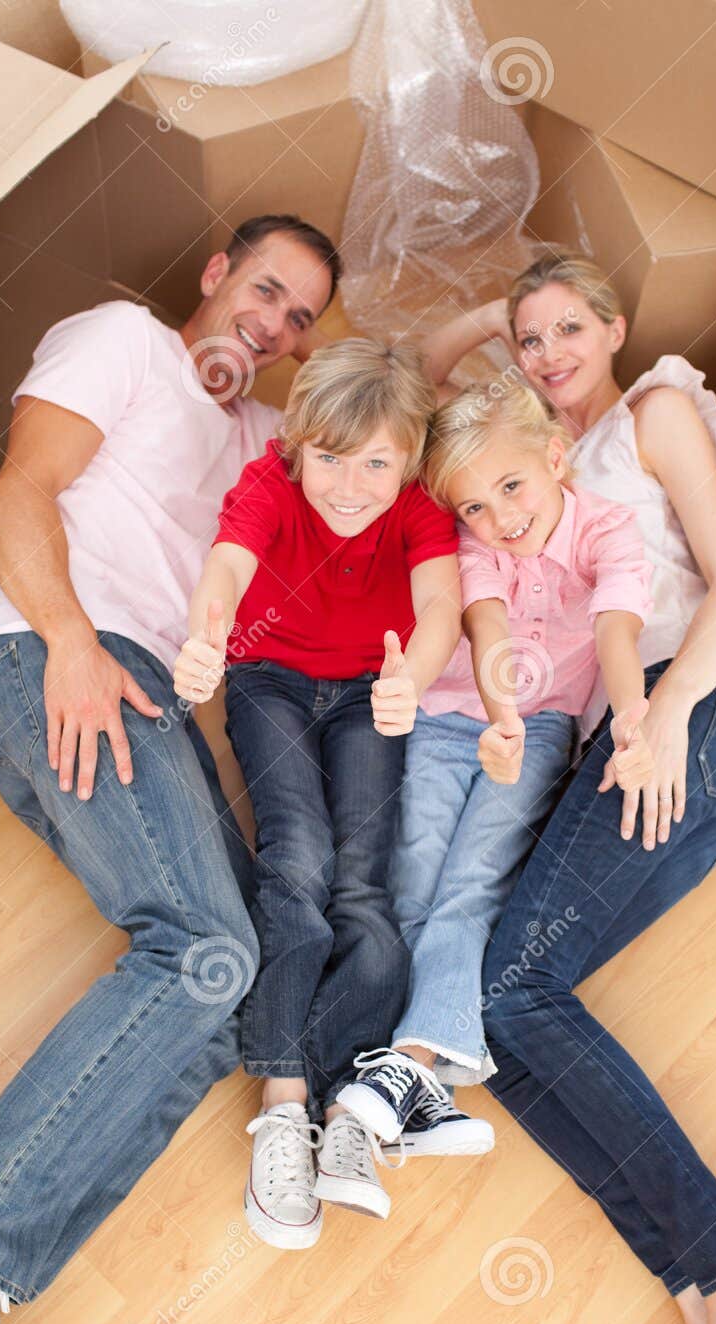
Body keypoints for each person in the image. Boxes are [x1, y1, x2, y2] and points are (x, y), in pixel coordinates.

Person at [0, 214, 340, 1324]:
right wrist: (69, 642)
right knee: (207, 949)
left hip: (155, 710)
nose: (274, 326)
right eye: (266, 290)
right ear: (214, 270)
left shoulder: (267, 443)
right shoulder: (125, 340)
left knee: (249, 989)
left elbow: (404, 407)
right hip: (60, 659)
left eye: (300, 320)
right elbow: (22, 493)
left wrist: (493, 319)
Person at [422, 250, 716, 1324]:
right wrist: (501, 312)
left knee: (513, 996)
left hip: (695, 720)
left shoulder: (651, 414)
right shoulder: (524, 463)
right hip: (615, 740)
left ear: (616, 328)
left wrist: (659, 719)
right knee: (497, 1012)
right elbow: (431, 374)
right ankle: (705, 1288)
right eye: (529, 340)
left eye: (567, 330)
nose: (545, 354)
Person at [173, 339, 460, 1246]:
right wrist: (208, 631)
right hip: (271, 681)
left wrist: (410, 676)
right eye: (329, 460)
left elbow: (444, 603)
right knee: (295, 865)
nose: (348, 486)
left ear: (410, 459)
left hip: (372, 692)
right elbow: (227, 566)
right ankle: (285, 1102)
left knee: (367, 901)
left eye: (376, 462)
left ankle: (344, 1117)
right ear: (296, 445)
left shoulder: (416, 508)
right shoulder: (268, 483)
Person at [336, 380, 654, 1158]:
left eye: (510, 487)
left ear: (554, 458)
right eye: (473, 507)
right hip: (453, 718)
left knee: (475, 883)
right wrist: (497, 715)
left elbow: (617, 636)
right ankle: (423, 1095)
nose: (500, 518)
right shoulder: (476, 546)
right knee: (411, 881)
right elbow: (488, 629)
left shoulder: (610, 531)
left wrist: (634, 724)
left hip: (541, 729)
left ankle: (406, 1068)